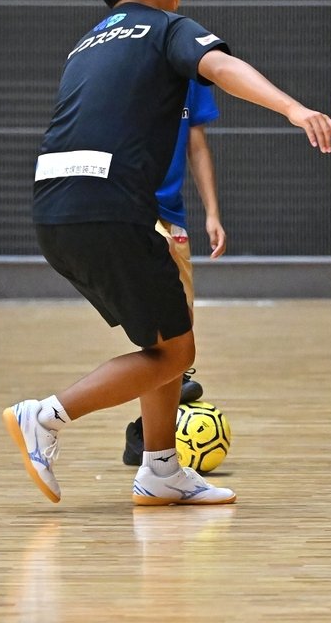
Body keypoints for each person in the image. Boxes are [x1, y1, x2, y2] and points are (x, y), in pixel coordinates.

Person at [4, 0, 331, 506]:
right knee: (177, 354)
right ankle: (46, 416)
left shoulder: (88, 41)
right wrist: (293, 107)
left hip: (55, 208)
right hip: (110, 208)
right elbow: (220, 69)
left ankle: (160, 469)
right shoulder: (166, 28)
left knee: (161, 338)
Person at [122, 79, 224, 466]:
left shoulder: (186, 73)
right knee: (156, 332)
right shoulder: (125, 65)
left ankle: (147, 435)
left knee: (180, 330)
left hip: (173, 217)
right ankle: (148, 440)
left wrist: (212, 212)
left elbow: (195, 143)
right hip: (132, 212)